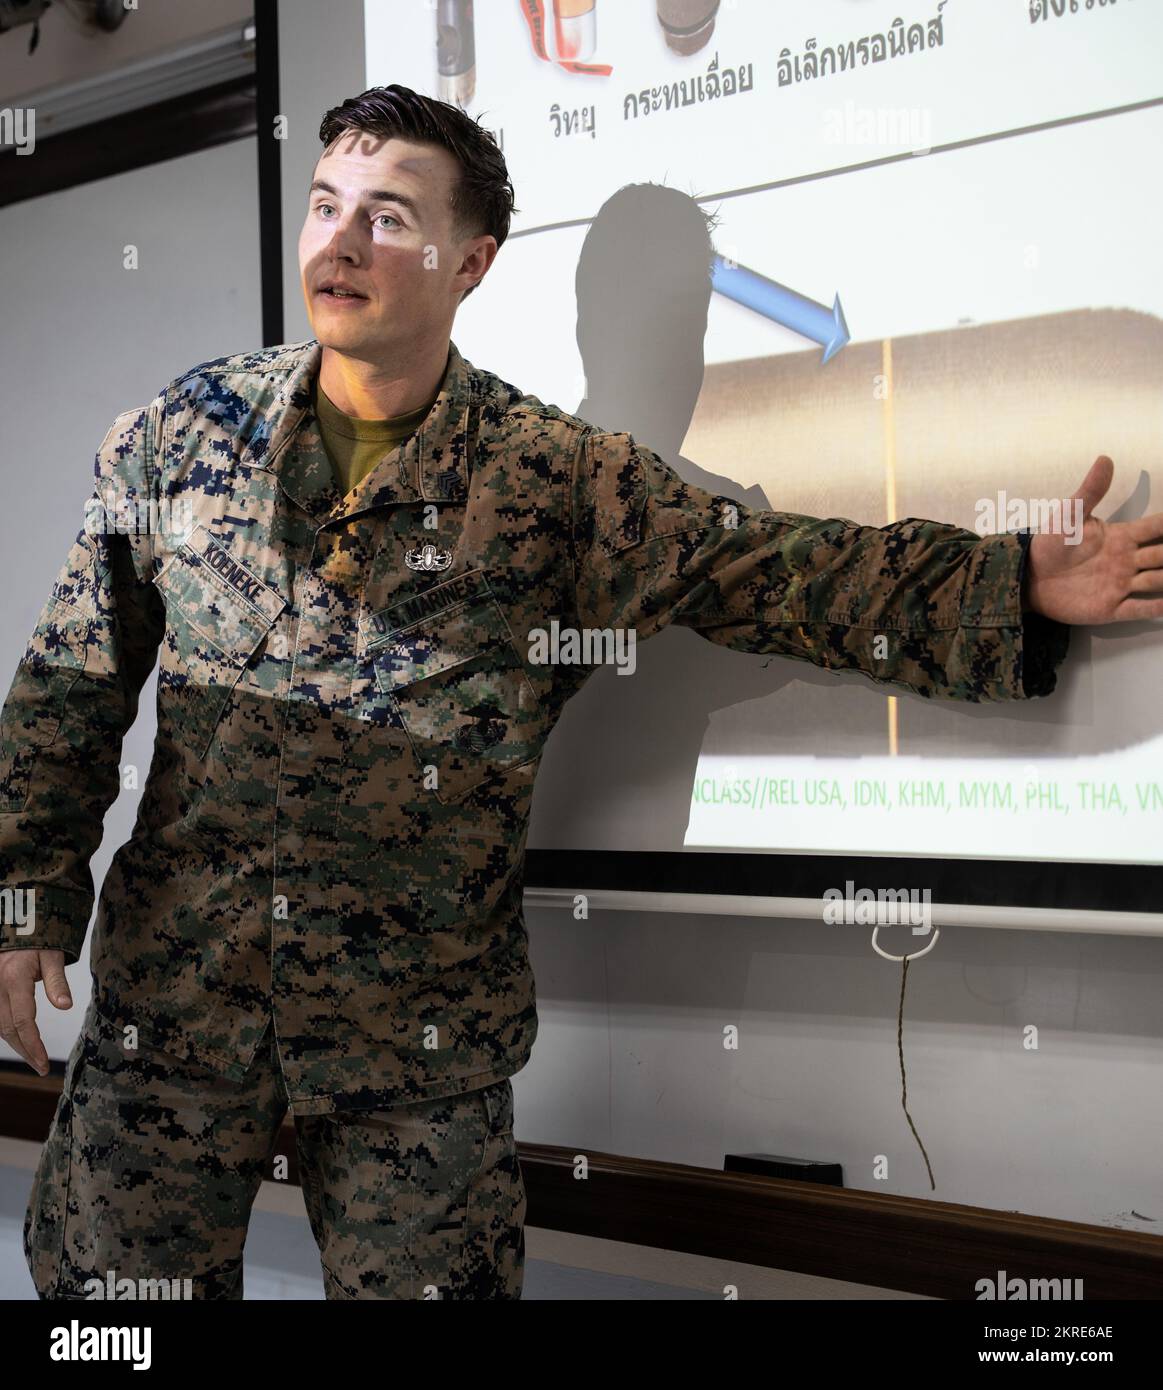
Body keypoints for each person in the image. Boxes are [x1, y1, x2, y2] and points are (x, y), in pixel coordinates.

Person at [1, 83, 1159, 1301]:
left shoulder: (556, 481)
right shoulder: (184, 436)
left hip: (417, 1040)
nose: (338, 244)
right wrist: (24, 899)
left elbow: (783, 574)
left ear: (471, 262)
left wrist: (1007, 581)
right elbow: (72, 678)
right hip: (176, 1003)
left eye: (388, 218)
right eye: (325, 205)